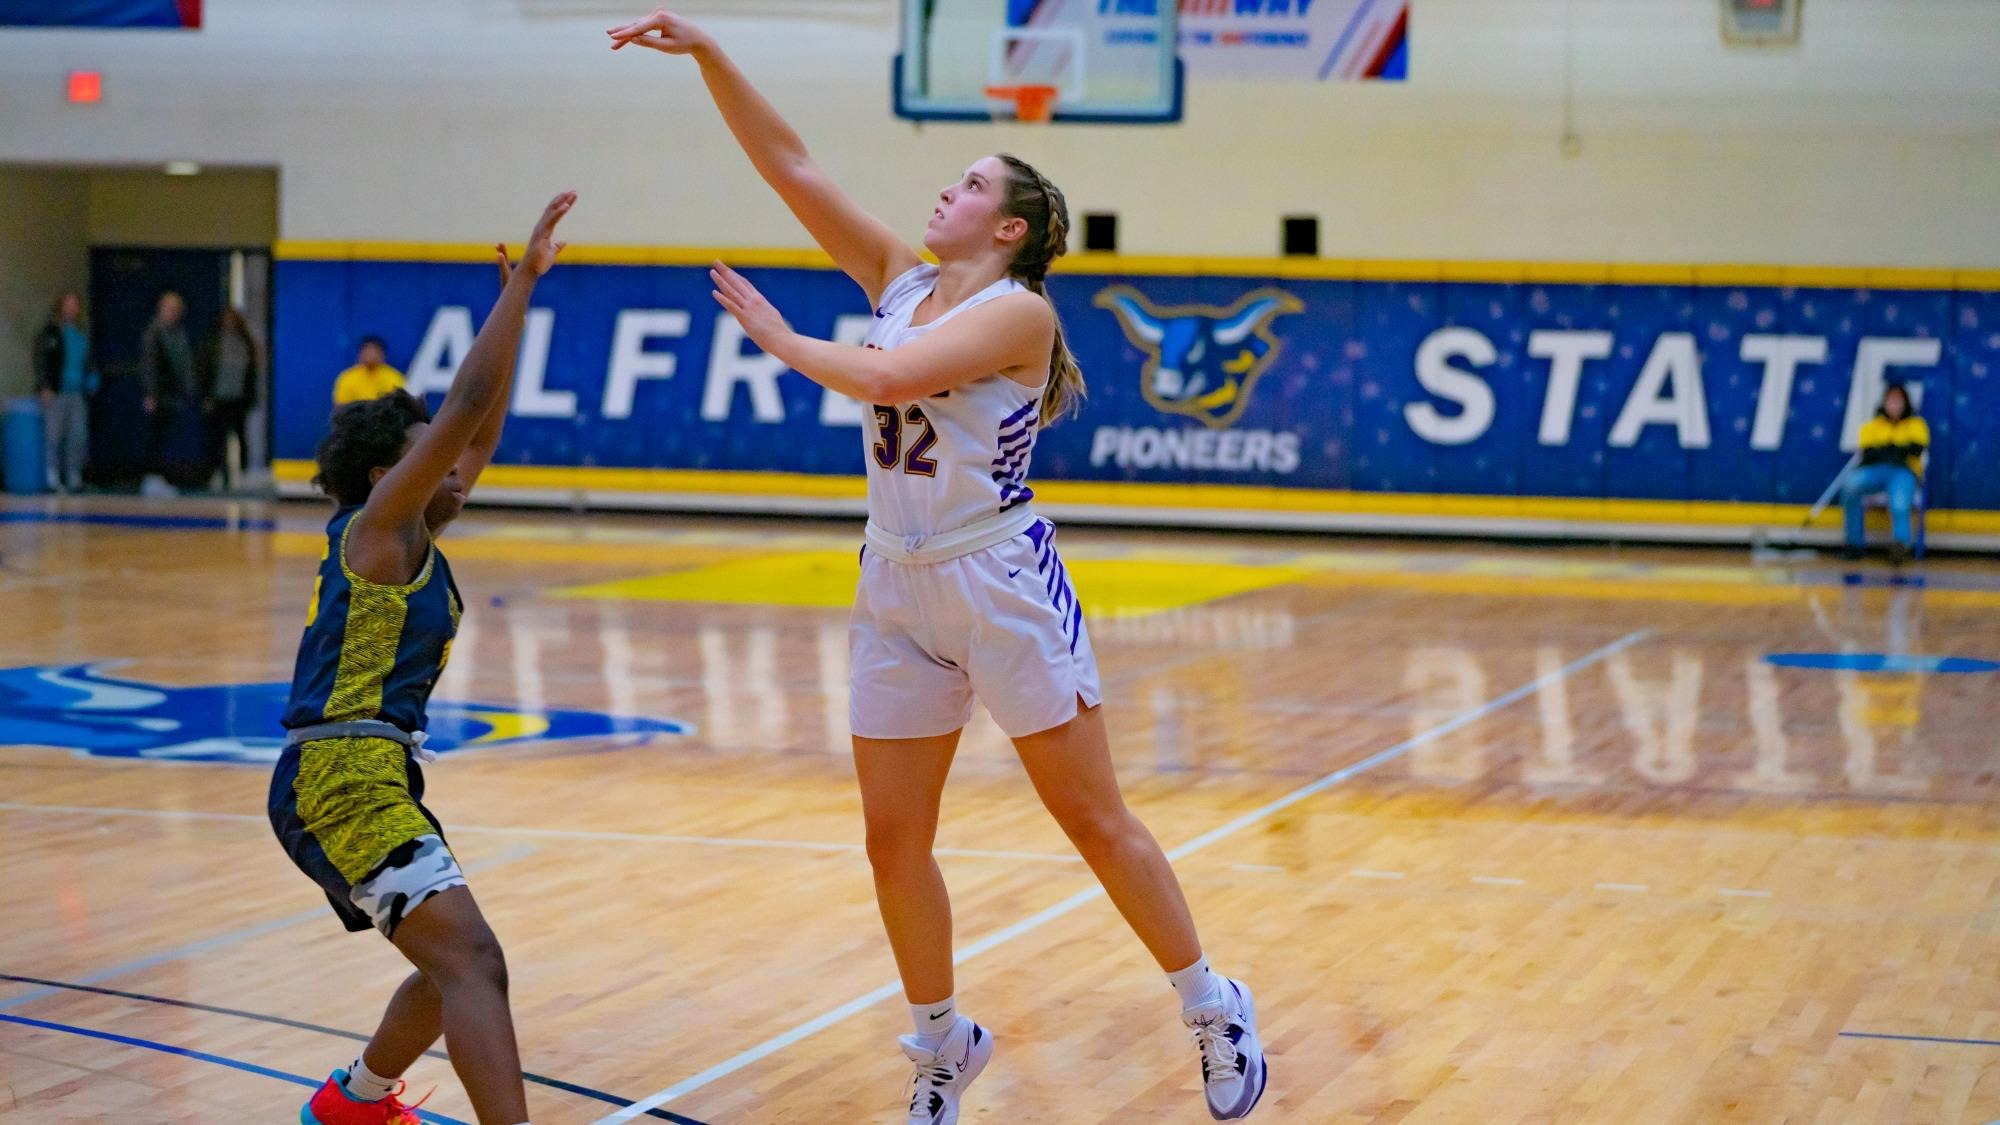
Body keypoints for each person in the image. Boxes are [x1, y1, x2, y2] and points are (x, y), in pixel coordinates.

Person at [608, 12, 1267, 1123]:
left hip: (996, 581)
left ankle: (1210, 1002)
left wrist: (780, 338)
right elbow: (793, 166)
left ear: (1006, 226)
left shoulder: (1021, 313)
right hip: (894, 580)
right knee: (889, 837)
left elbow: (884, 382)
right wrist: (714, 55)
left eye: (965, 184)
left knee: (1091, 818)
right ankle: (939, 1041)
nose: (941, 194)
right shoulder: (902, 281)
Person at [272, 191, 573, 1125]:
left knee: (452, 970)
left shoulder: (417, 532)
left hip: (373, 769)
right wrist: (519, 285)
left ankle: (357, 1100)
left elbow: (479, 428)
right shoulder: (378, 531)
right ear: (385, 475)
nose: (456, 469)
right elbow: (467, 405)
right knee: (474, 961)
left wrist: (522, 302)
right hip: (340, 772)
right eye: (429, 458)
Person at [1843, 382, 1928, 564]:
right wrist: (1895, 449)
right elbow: (1868, 452)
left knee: (1899, 501)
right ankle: (1853, 543)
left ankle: (1901, 544)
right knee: (1850, 485)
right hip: (1876, 471)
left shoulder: (1916, 424)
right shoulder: (1873, 426)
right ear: (1884, 403)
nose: (1895, 406)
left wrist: (1889, 449)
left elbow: (1916, 449)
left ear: (1905, 403)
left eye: (1899, 401)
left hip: (1903, 471)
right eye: (1891, 401)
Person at [34, 291, 94, 493]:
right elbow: (42, 360)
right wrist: (45, 386)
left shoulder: (81, 334)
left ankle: (73, 476)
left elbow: (87, 360)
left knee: (78, 434)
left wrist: (91, 378)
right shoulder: (51, 332)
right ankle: (52, 477)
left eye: (75, 305)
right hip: (56, 390)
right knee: (54, 434)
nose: (71, 309)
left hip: (77, 391)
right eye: (68, 304)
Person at [140, 290, 200, 493]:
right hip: (159, 395)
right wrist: (150, 393)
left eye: (176, 309)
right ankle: (153, 478)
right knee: (156, 437)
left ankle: (167, 477)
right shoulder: (153, 333)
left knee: (171, 438)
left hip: (176, 395)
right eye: (169, 309)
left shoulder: (180, 334)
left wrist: (189, 389)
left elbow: (186, 365)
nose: (172, 313)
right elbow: (149, 365)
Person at [205, 306, 262, 489]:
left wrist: (252, 396)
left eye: (233, 319)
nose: (229, 323)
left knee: (241, 436)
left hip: (239, 399)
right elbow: (204, 370)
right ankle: (218, 475)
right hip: (219, 397)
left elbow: (253, 373)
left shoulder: (246, 343)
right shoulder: (213, 342)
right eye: (226, 319)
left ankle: (244, 475)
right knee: (217, 438)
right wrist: (207, 395)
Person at [334, 334, 410, 406]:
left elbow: (401, 407)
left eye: (375, 350)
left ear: (382, 354)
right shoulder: (347, 378)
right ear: (360, 354)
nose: (371, 354)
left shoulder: (394, 377)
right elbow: (340, 407)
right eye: (367, 350)